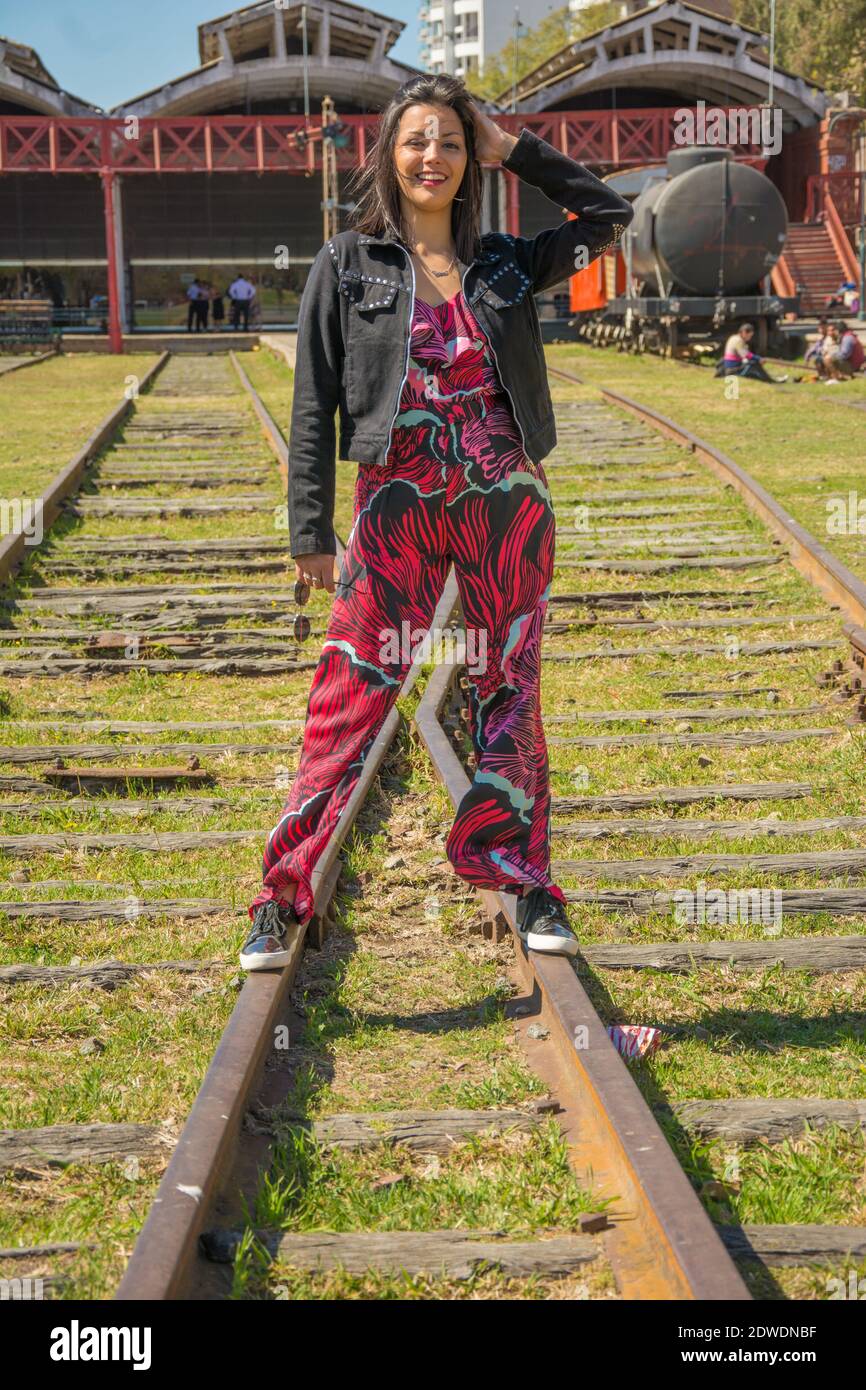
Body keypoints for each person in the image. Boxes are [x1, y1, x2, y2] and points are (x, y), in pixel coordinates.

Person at [239, 72, 635, 971]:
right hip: (397, 510)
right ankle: (280, 896)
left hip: (507, 510)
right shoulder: (347, 264)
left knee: (512, 693)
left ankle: (530, 884)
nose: (433, 157)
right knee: (347, 699)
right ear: (389, 155)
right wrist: (310, 526)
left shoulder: (503, 262)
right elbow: (313, 404)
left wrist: (516, 148)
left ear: (470, 159)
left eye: (452, 143)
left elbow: (607, 217)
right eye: (418, 140)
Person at [716, 322, 787, 383]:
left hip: (730, 367)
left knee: (754, 366)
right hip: (732, 370)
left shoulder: (733, 337)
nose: (749, 338)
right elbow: (746, 355)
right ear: (744, 332)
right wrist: (759, 359)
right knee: (755, 364)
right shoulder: (738, 341)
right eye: (749, 336)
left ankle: (771, 378)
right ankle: (771, 381)